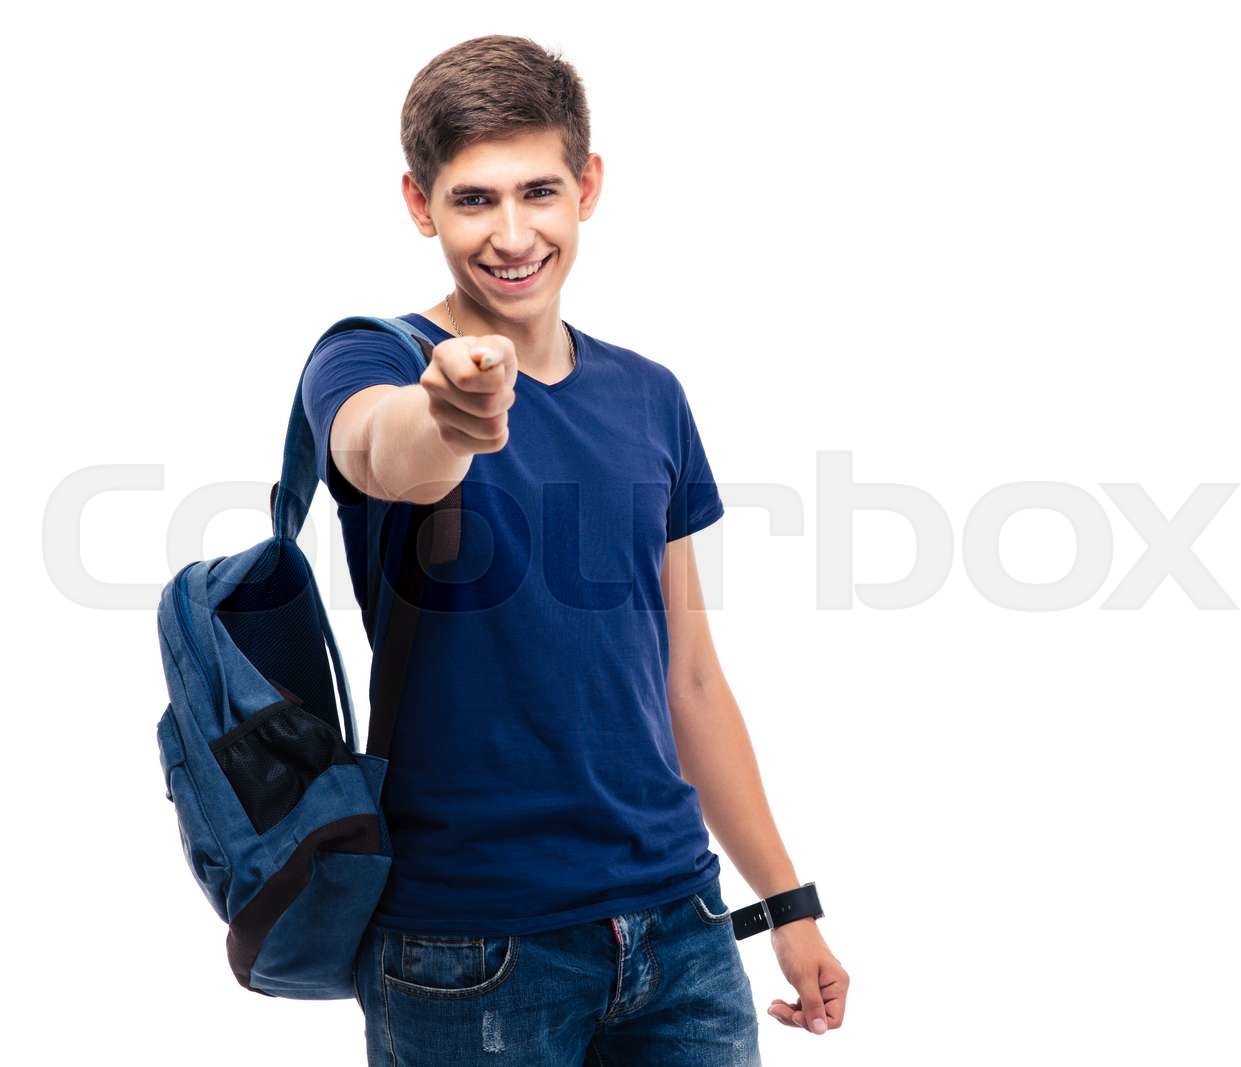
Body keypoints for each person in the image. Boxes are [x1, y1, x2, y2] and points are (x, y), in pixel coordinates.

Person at [301, 34, 849, 1066]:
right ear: (419, 204)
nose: (512, 234)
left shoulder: (649, 394)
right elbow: (383, 451)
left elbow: (687, 676)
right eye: (473, 200)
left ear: (587, 185)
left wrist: (787, 900)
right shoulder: (372, 357)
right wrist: (453, 413)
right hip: (469, 948)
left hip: (681, 931)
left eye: (538, 191)